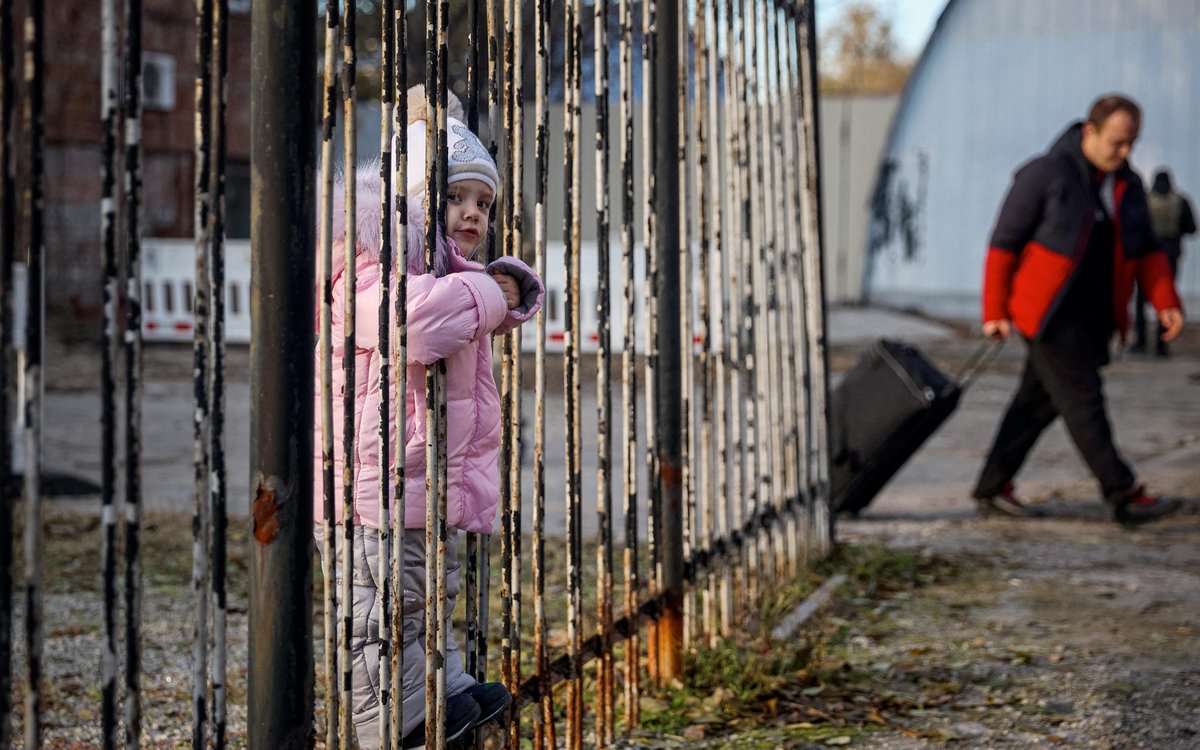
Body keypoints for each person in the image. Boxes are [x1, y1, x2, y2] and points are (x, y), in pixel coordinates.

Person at [314, 86, 543, 748]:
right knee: (372, 612)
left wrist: (499, 288)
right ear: (412, 199)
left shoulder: (443, 270)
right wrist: (487, 290)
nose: (471, 213)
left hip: (416, 479)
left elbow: (460, 302)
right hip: (365, 486)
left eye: (482, 203)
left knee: (419, 596)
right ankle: (394, 720)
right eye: (454, 198)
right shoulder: (365, 260)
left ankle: (436, 687)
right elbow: (411, 323)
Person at [972, 94, 1185, 527]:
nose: (1124, 153)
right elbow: (1004, 244)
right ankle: (1121, 491)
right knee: (1083, 399)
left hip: (1094, 315)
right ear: (1089, 132)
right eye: (1117, 143)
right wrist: (994, 309)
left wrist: (1166, 302)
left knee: (1036, 403)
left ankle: (992, 486)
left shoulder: (1127, 186)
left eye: (1131, 144)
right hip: (1048, 313)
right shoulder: (1044, 174)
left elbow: (1146, 251)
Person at [1132, 168, 1195, 355]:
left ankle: (1141, 341)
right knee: (1167, 299)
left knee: (1141, 299)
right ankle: (1162, 342)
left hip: (1144, 254)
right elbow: (1191, 228)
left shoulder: (1145, 200)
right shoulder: (1180, 201)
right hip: (1171, 252)